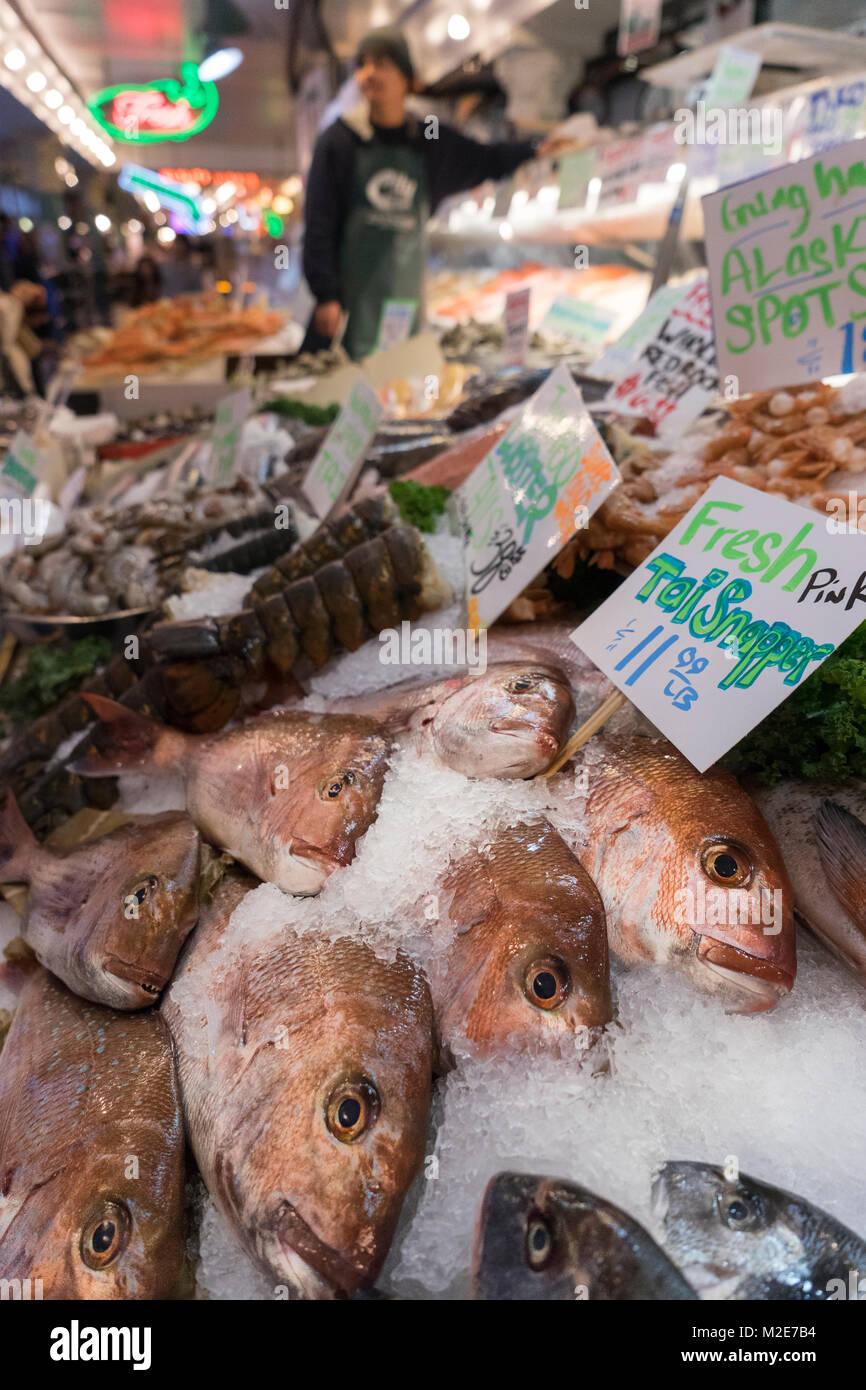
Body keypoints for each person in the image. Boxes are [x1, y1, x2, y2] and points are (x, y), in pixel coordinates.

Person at [302, 26, 567, 360]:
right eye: (363, 64)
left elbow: (485, 159)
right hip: (348, 305)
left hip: (404, 300)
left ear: (407, 79)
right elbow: (318, 221)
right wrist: (325, 294)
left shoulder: (427, 139)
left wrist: (537, 148)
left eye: (382, 64)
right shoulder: (339, 140)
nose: (369, 74)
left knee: (395, 382)